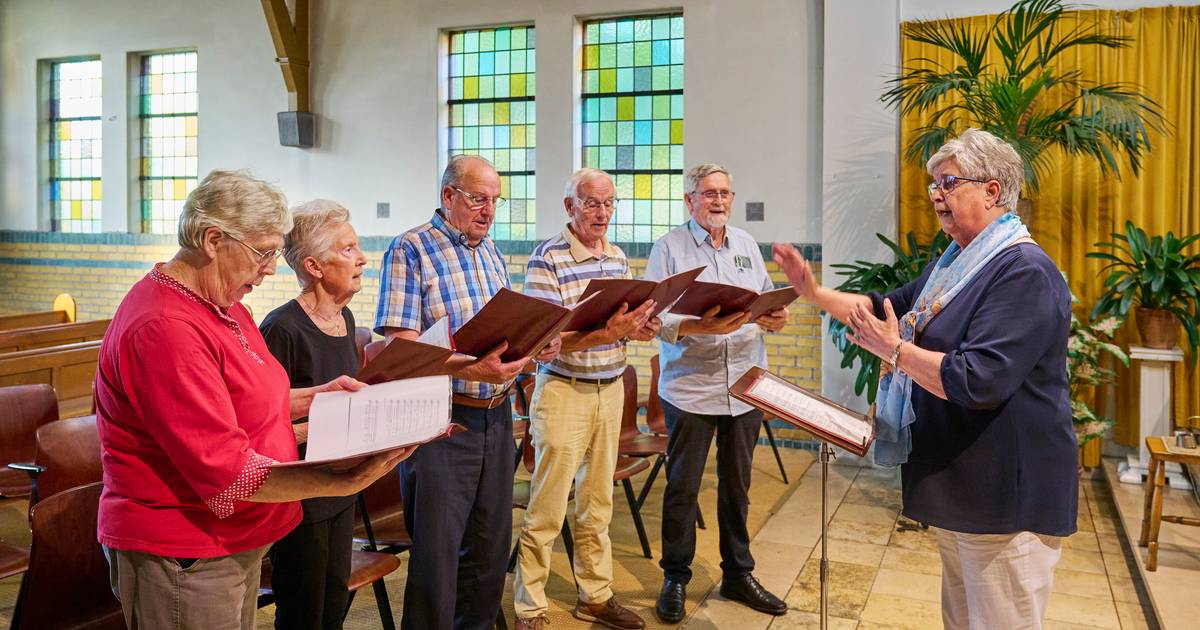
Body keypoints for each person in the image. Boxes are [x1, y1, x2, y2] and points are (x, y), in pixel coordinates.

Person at [774, 128, 1077, 629]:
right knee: (960, 620)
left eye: (948, 182)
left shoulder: (1023, 271)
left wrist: (893, 349)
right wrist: (813, 293)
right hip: (965, 483)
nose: (935, 194)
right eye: (932, 184)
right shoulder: (956, 264)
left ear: (992, 190)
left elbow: (978, 380)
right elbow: (881, 307)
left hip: (1007, 494)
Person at [95, 170, 411, 630]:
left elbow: (247, 401)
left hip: (235, 538)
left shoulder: (223, 304)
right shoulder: (166, 328)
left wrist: (313, 398)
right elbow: (225, 472)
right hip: (186, 551)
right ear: (213, 239)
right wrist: (338, 481)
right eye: (262, 252)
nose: (269, 267)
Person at [375, 154, 559, 630]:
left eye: (495, 200)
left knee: (489, 549)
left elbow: (503, 335)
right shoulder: (411, 249)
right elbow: (400, 347)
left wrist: (538, 341)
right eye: (479, 198)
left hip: (495, 418)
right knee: (437, 559)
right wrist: (471, 366)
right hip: (441, 420)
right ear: (448, 196)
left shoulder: (489, 252)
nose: (488, 210)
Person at [512, 168, 658, 630]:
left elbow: (620, 328)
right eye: (591, 203)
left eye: (609, 203)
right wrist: (604, 334)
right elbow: (540, 342)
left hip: (610, 390)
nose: (602, 212)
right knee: (549, 505)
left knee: (597, 503)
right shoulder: (546, 259)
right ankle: (530, 607)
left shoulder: (616, 257)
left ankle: (594, 597)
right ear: (569, 207)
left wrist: (638, 328)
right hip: (563, 392)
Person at [645, 163, 790, 623]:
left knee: (737, 487)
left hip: (745, 385)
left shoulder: (746, 244)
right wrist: (698, 325)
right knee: (683, 489)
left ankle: (738, 573)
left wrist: (775, 315)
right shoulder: (669, 247)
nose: (719, 201)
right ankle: (676, 576)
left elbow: (765, 295)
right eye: (709, 193)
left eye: (725, 192)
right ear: (690, 201)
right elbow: (654, 317)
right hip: (691, 387)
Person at [259, 199, 369, 629]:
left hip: (341, 486)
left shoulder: (344, 319)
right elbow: (265, 421)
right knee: (303, 609)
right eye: (347, 249)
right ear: (314, 265)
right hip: (300, 496)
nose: (361, 258)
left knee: (334, 603)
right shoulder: (282, 328)